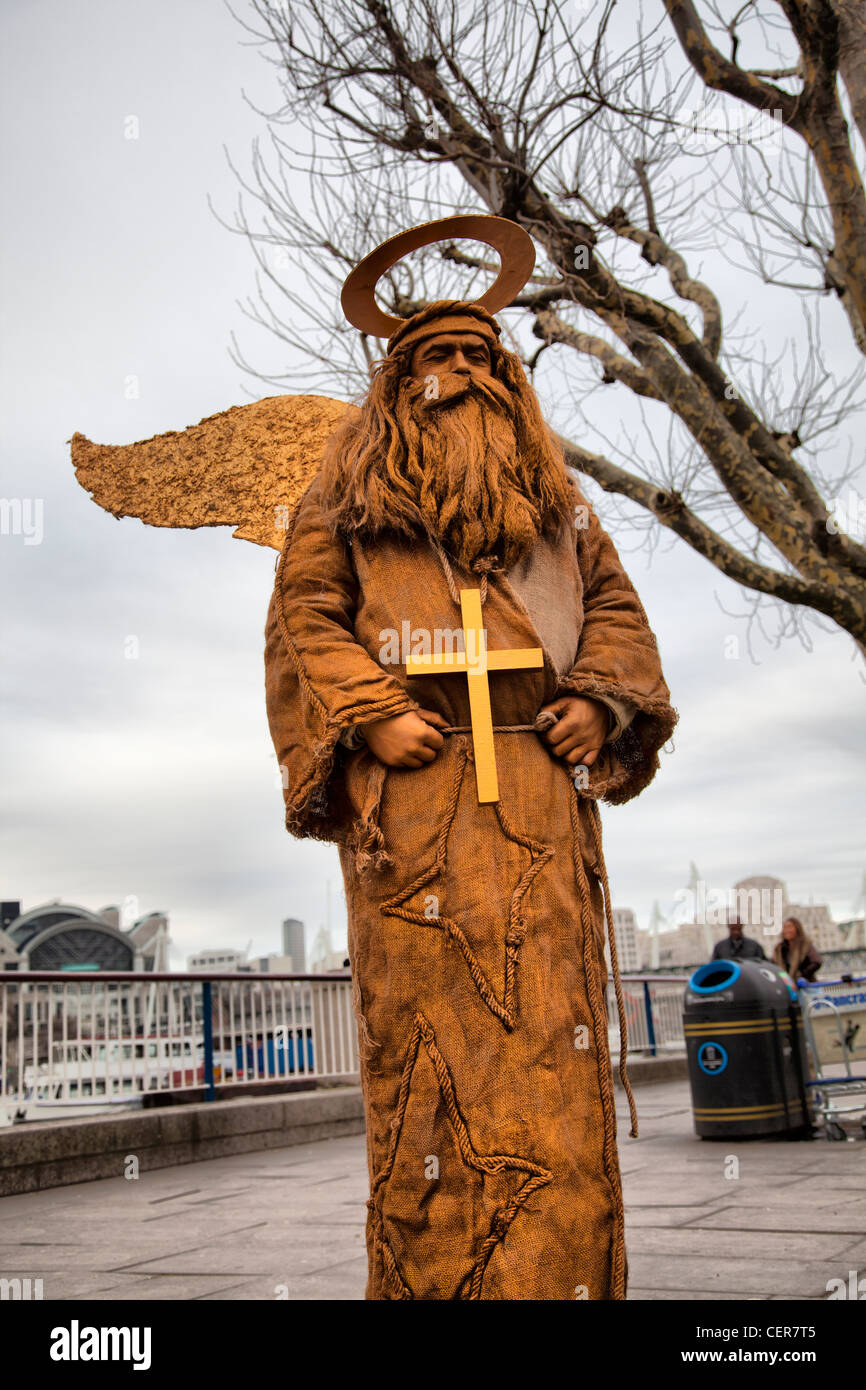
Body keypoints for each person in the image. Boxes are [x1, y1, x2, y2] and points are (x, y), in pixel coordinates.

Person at [264, 225, 676, 1301]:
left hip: (537, 802)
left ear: (508, 381)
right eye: (433, 362)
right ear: (399, 384)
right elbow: (305, 616)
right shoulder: (342, 500)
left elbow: (617, 615)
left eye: (482, 360)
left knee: (549, 1051)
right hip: (412, 806)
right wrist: (366, 715)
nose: (459, 377)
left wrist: (595, 699)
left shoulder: (558, 507)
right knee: (429, 1071)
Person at [773, 916, 822, 983]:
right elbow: (773, 965)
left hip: (805, 985)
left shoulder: (805, 945)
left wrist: (801, 975)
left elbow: (816, 962)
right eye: (784, 927)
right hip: (786, 985)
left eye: (790, 927)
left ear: (797, 928)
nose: (787, 930)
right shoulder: (779, 949)